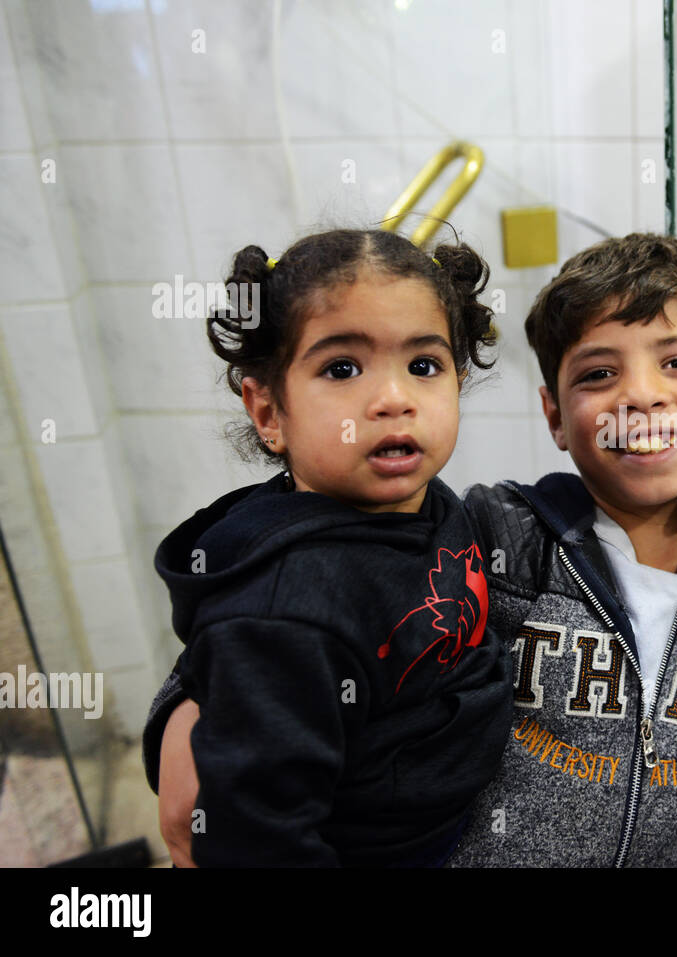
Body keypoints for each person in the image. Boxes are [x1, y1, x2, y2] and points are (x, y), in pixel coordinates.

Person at [147, 232, 677, 867]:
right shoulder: (492, 541)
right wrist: (183, 707)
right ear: (555, 417)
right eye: (599, 374)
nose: (642, 393)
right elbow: (303, 603)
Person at [147, 228, 513, 866]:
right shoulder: (286, 608)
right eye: (342, 368)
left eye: (423, 366)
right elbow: (256, 839)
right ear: (268, 413)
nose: (394, 399)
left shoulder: (425, 500)